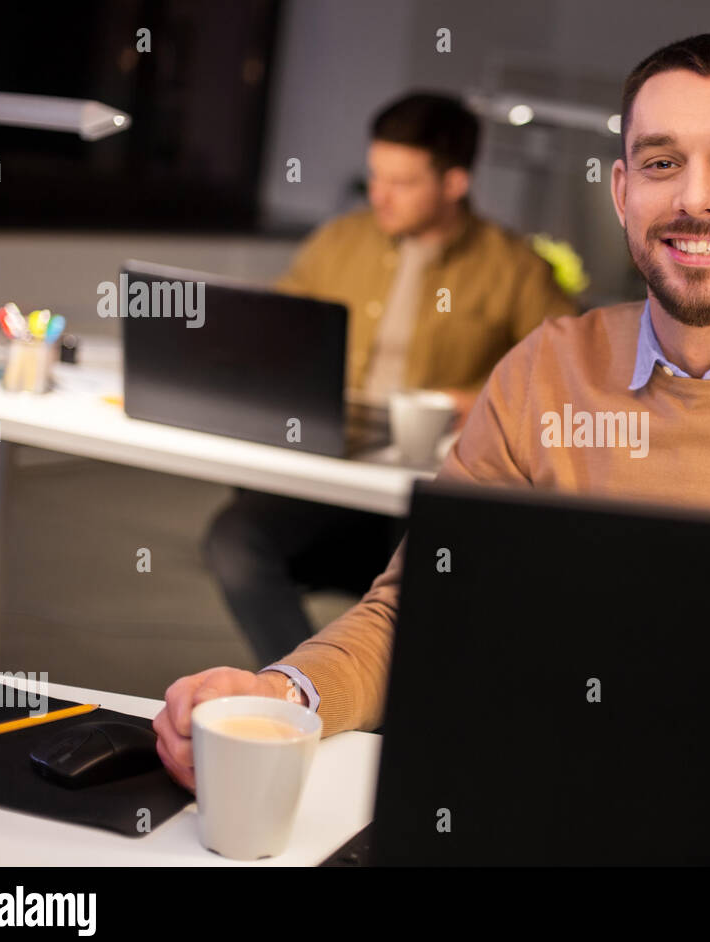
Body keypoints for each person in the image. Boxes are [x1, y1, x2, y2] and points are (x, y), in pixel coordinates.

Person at [157, 35, 710, 789]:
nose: (695, 200)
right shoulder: (545, 373)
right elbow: (420, 613)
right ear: (622, 190)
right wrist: (279, 690)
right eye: (661, 163)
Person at [203, 92, 574, 666]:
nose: (380, 194)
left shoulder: (514, 267)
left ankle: (385, 703)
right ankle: (305, 687)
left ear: (454, 183)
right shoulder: (340, 241)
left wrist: (479, 400)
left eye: (402, 181)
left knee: (433, 577)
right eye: (376, 175)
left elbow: (569, 373)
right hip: (328, 474)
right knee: (233, 542)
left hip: (424, 494)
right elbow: (271, 336)